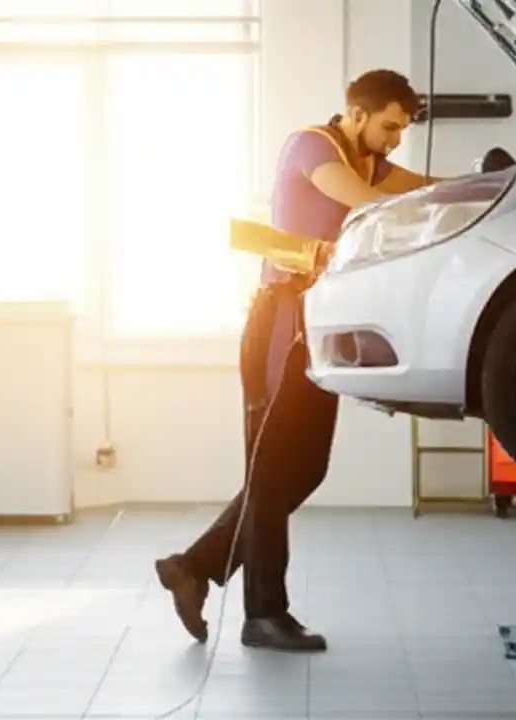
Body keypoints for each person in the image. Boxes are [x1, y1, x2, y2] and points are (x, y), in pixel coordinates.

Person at [154, 69, 442, 652]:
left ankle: (194, 565)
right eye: (388, 126)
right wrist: (415, 205)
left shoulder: (371, 161)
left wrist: (485, 185)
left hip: (318, 327)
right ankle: (264, 614)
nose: (394, 140)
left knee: (305, 467)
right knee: (270, 471)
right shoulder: (312, 145)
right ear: (356, 113)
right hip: (279, 324)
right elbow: (367, 205)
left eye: (402, 130)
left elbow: (423, 186)